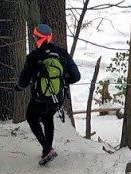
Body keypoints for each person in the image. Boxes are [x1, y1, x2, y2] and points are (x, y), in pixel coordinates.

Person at [15, 23, 81, 165]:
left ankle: (47, 148)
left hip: (40, 98)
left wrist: (18, 87)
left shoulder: (33, 57)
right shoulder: (62, 53)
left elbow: (24, 79)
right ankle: (46, 151)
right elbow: (76, 76)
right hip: (57, 98)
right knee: (47, 117)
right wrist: (63, 81)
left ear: (36, 38)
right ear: (50, 37)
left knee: (31, 117)